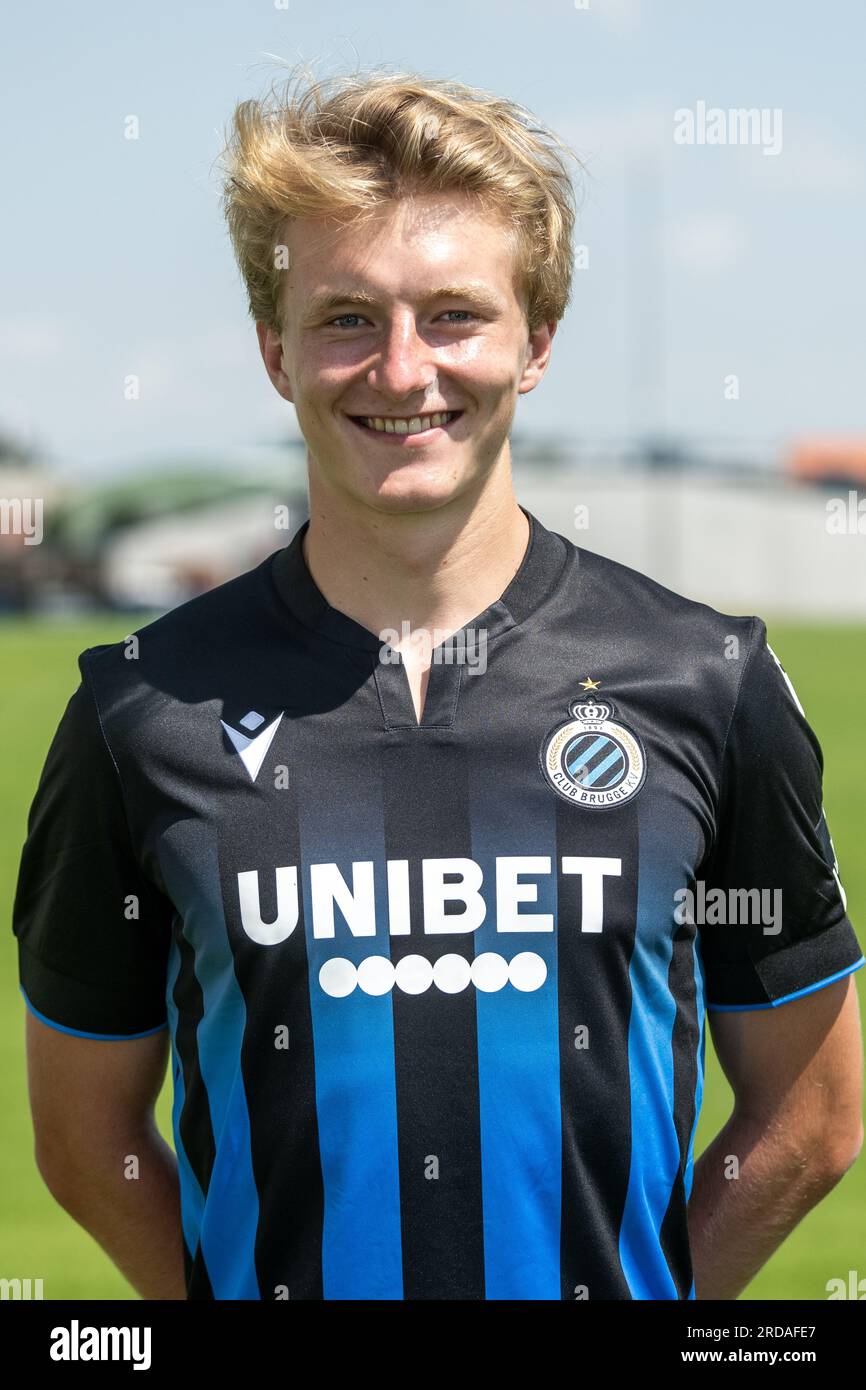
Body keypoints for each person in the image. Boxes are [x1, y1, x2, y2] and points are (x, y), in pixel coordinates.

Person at [13, 68, 863, 1302]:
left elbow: (816, 1109)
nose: (402, 370)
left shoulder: (705, 679)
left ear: (535, 342)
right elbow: (85, 1140)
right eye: (346, 317)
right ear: (274, 349)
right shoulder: (138, 712)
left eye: (454, 315)